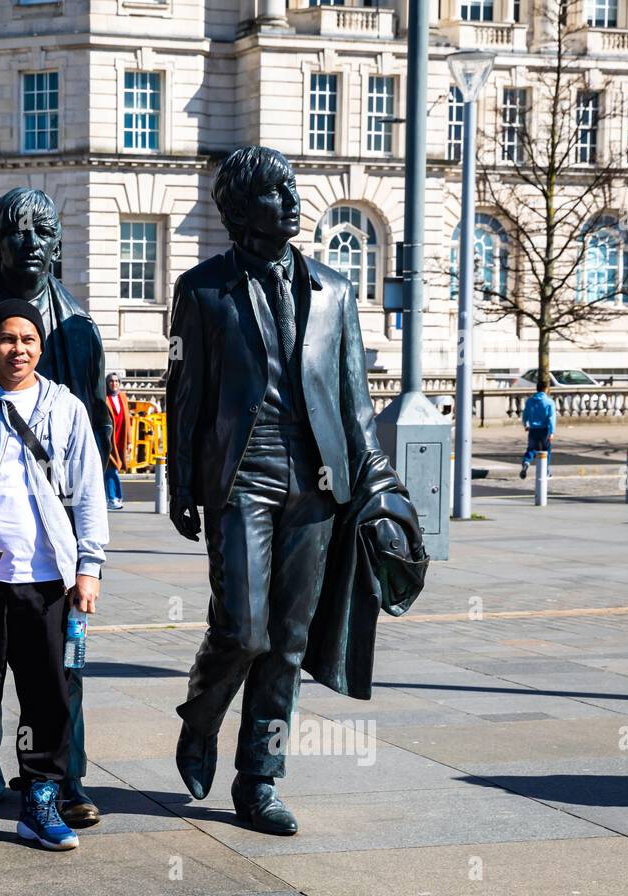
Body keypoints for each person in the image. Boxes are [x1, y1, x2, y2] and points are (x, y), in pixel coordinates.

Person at [165, 146, 422, 836]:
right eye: (277, 194)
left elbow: (354, 402)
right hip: (239, 474)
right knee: (241, 629)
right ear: (242, 210)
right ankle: (200, 713)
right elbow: (184, 395)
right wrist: (180, 481)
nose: (293, 203)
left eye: (292, 191)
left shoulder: (334, 290)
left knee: (287, 640)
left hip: (317, 483)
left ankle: (260, 778)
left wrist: (380, 490)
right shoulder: (203, 289)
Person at [0, 188, 110, 826]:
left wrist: (89, 553)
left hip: (55, 540)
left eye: (46, 233)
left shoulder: (79, 327)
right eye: (19, 234)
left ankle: (63, 781)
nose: (34, 245)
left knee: (61, 667)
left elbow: (89, 445)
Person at [104, 372, 130, 510]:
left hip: (120, 440)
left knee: (113, 470)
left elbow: (128, 421)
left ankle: (115, 498)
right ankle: (113, 498)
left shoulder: (123, 397)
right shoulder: (104, 398)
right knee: (111, 470)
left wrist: (130, 442)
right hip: (109, 441)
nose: (114, 384)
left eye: (116, 381)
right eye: (111, 381)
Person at [520, 381, 555, 479]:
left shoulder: (530, 401)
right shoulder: (549, 402)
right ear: (546, 389)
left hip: (533, 429)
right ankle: (545, 472)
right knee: (546, 451)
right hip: (544, 430)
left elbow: (525, 415)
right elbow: (551, 419)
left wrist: (526, 424)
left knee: (531, 449)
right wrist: (551, 432)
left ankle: (526, 463)